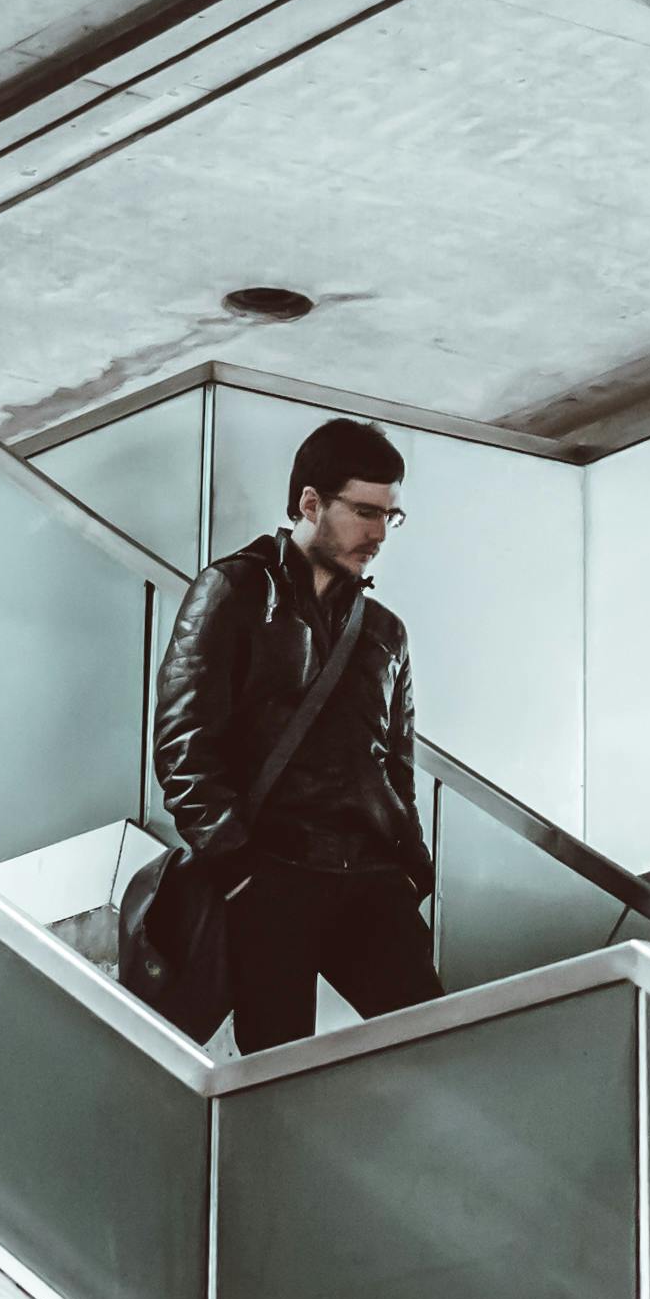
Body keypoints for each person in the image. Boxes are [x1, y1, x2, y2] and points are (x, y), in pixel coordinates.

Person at [144, 416, 436, 1050]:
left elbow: (398, 766)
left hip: (369, 877)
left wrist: (412, 867)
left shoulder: (385, 631)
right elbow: (182, 743)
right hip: (270, 874)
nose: (380, 533)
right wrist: (241, 870)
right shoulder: (234, 590)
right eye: (364, 511)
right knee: (278, 1068)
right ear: (310, 503)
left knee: (440, 1043)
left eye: (391, 515)